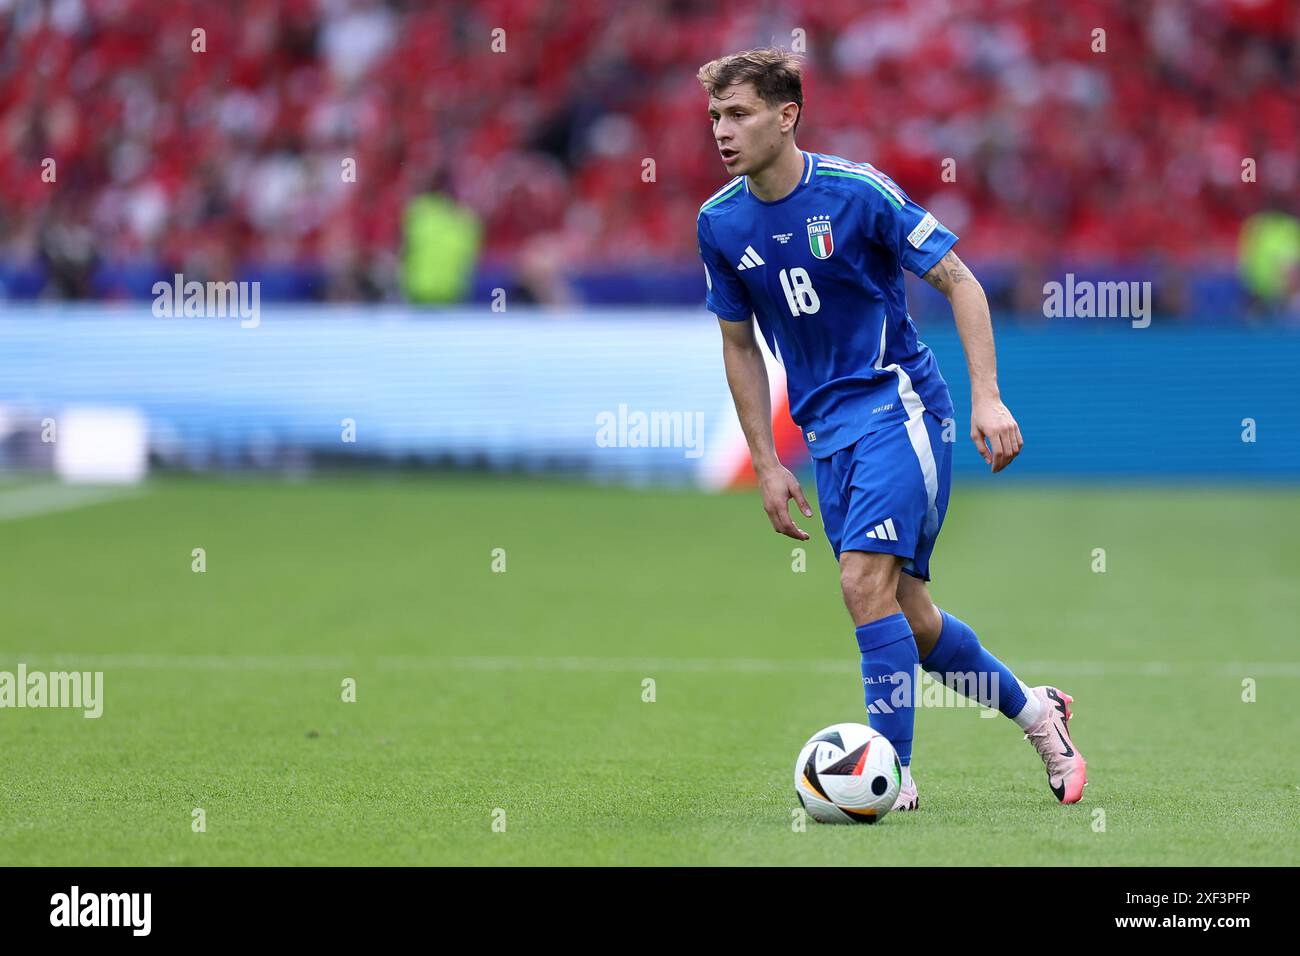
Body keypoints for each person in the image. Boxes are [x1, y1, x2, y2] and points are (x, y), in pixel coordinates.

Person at [695, 48, 1087, 810]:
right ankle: (1041, 716)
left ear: (787, 115)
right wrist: (766, 461)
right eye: (715, 116)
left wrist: (988, 398)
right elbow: (738, 344)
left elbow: (961, 281)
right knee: (910, 612)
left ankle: (892, 774)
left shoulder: (857, 193)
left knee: (859, 583)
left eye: (738, 113)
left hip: (900, 407)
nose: (722, 130)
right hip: (825, 432)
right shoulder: (718, 223)